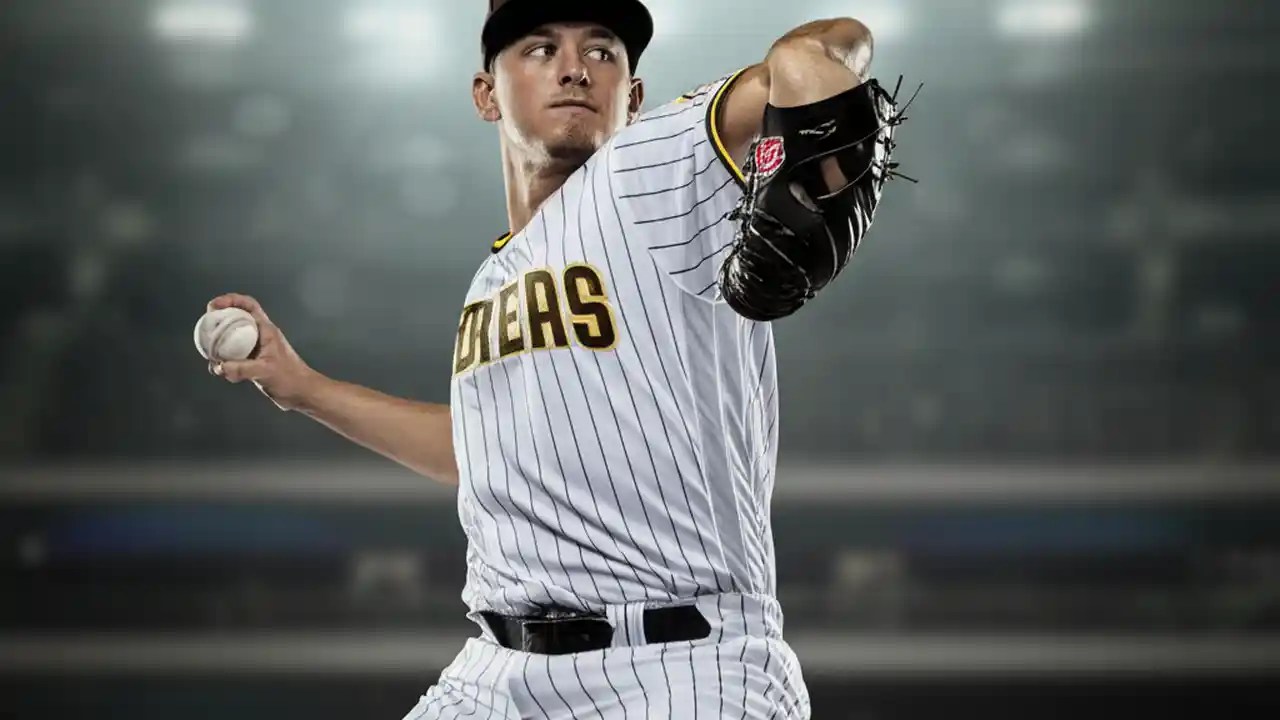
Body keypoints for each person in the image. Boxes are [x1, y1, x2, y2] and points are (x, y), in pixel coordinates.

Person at [206, 0, 907, 716]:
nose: (574, 69)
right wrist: (303, 386)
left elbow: (826, 51)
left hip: (679, 666)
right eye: (541, 50)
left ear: (634, 98)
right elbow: (480, 451)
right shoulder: (490, 284)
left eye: (601, 52)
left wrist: (815, 69)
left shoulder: (647, 169)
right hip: (496, 670)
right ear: (487, 94)